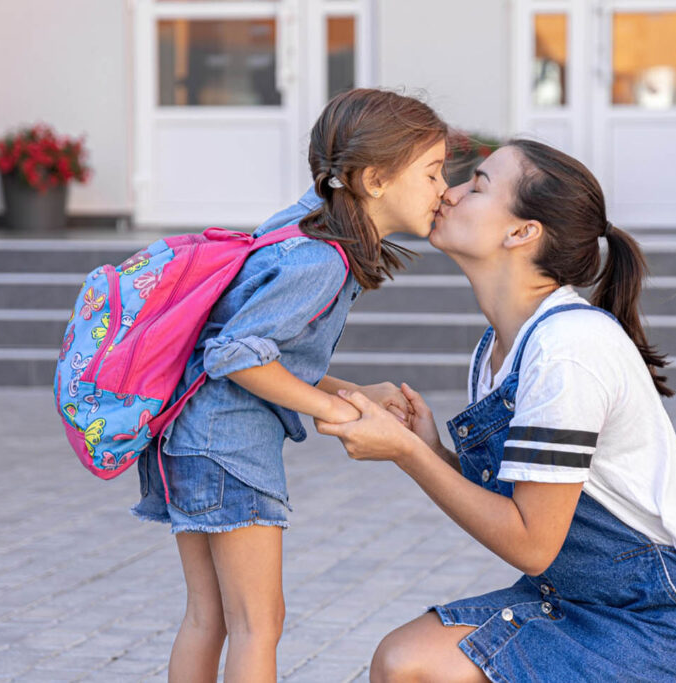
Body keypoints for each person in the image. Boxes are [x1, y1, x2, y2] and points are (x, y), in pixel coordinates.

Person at [318, 139, 676, 682]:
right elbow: (522, 507)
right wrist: (430, 449)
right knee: (403, 661)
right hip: (575, 599)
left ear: (522, 233)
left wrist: (406, 453)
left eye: (478, 185)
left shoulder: (568, 348)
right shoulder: (502, 346)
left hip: (657, 625)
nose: (448, 193)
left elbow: (532, 543)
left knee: (415, 666)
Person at [131, 88, 448, 682]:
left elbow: (260, 347)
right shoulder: (321, 260)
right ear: (375, 180)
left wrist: (355, 391)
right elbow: (236, 355)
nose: (443, 190)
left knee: (209, 616)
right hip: (229, 451)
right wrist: (336, 410)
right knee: (259, 623)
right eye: (432, 173)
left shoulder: (305, 225)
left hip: (189, 438)